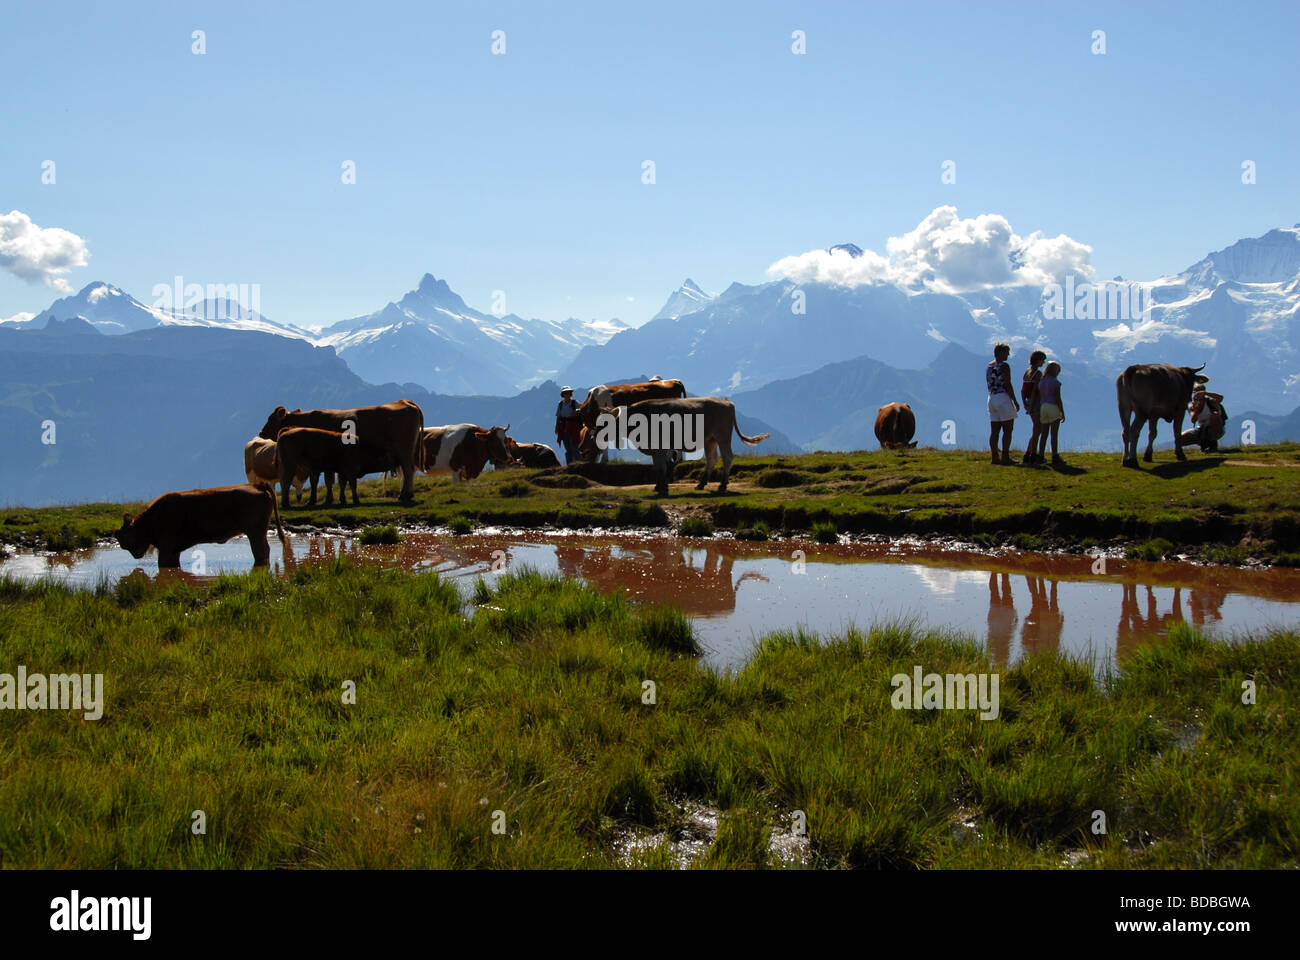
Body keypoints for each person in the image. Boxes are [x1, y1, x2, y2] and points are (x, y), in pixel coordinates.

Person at [986, 343, 1019, 465]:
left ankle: (994, 456)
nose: (1008, 355)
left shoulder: (989, 366)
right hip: (1002, 398)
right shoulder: (1004, 366)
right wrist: (1014, 400)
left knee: (994, 430)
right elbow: (1007, 383)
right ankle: (1005, 456)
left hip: (991, 398)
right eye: (1006, 352)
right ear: (1000, 353)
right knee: (1008, 429)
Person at [1181, 384, 1226, 452]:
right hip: (1202, 429)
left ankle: (1212, 443)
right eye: (1196, 393)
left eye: (1200, 393)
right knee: (1180, 439)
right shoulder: (1192, 406)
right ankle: (1204, 443)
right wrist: (1196, 410)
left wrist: (1206, 393)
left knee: (1215, 415)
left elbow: (1220, 397)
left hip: (1216, 429)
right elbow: (1193, 420)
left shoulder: (1210, 402)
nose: (1198, 395)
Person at [1021, 349, 1047, 465]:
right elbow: (1036, 390)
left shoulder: (1027, 372)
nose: (1044, 363)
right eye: (1043, 360)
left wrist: (1025, 404)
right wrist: (1032, 406)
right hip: (1036, 402)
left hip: (1028, 401)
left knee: (1036, 429)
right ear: (1039, 360)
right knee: (1038, 429)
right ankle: (1033, 454)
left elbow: (1023, 390)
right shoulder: (1038, 374)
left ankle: (1028, 453)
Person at [1037, 360, 1065, 464]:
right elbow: (1058, 398)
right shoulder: (1056, 382)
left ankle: (1041, 455)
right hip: (1053, 407)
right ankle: (1054, 455)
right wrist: (1062, 411)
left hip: (1043, 407)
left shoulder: (1041, 381)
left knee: (1044, 434)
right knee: (1054, 434)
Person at [554, 386, 582, 464]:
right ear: (563, 394)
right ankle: (570, 464)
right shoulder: (560, 404)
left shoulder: (574, 403)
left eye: (568, 393)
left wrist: (576, 411)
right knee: (567, 447)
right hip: (563, 427)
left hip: (573, 427)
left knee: (574, 446)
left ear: (570, 394)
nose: (567, 394)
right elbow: (558, 416)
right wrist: (556, 427)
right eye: (565, 393)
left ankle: (579, 463)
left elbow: (580, 409)